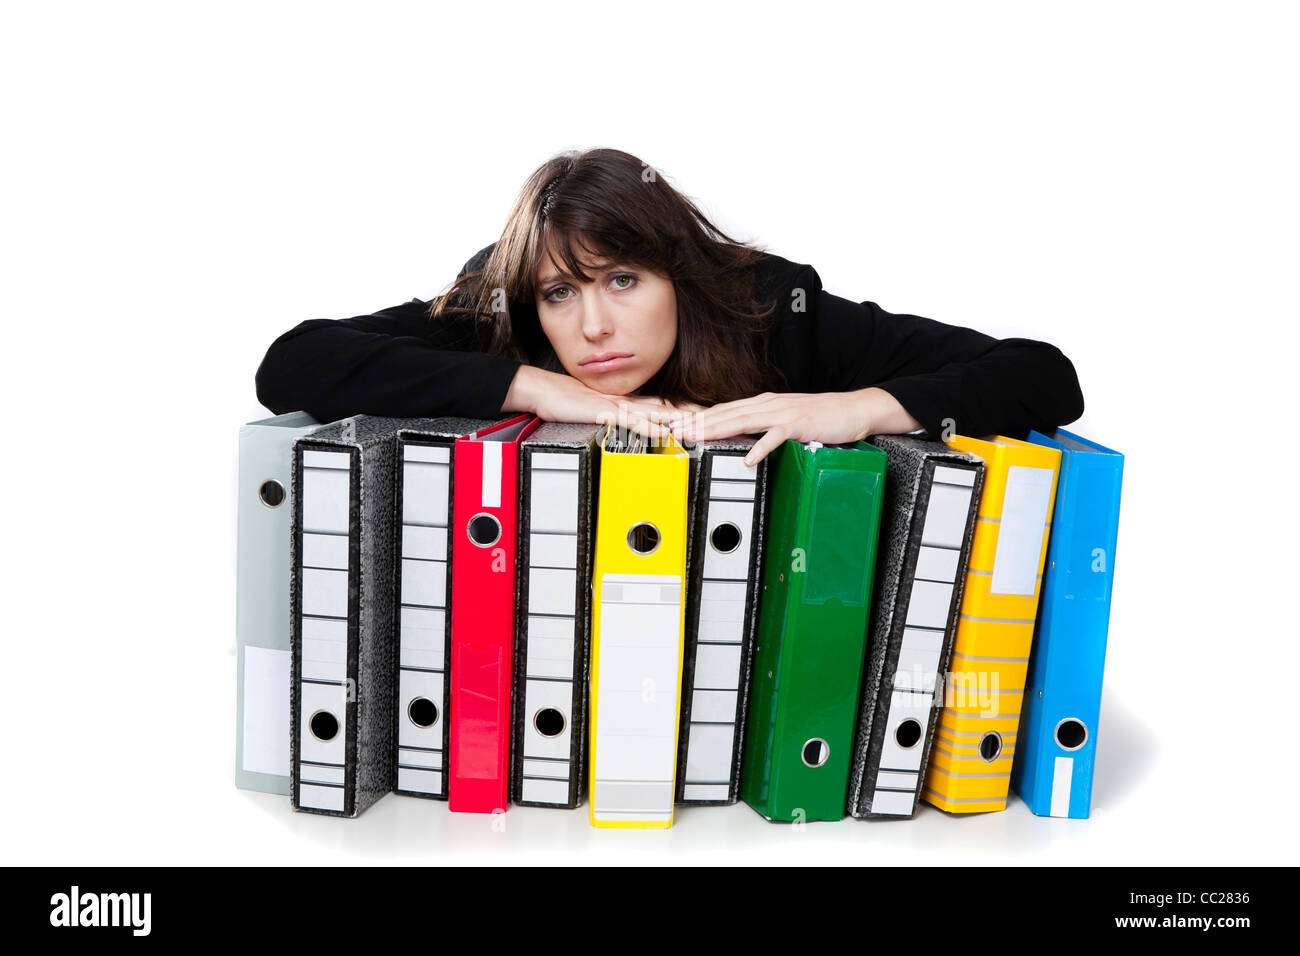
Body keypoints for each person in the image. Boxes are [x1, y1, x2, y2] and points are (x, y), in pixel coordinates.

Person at [255, 148, 1084, 464]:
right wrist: (540, 389)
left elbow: (1044, 375)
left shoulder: (773, 306)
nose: (592, 328)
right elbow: (291, 362)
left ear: (679, 279)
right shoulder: (499, 315)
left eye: (623, 280)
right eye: (560, 293)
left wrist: (853, 408)